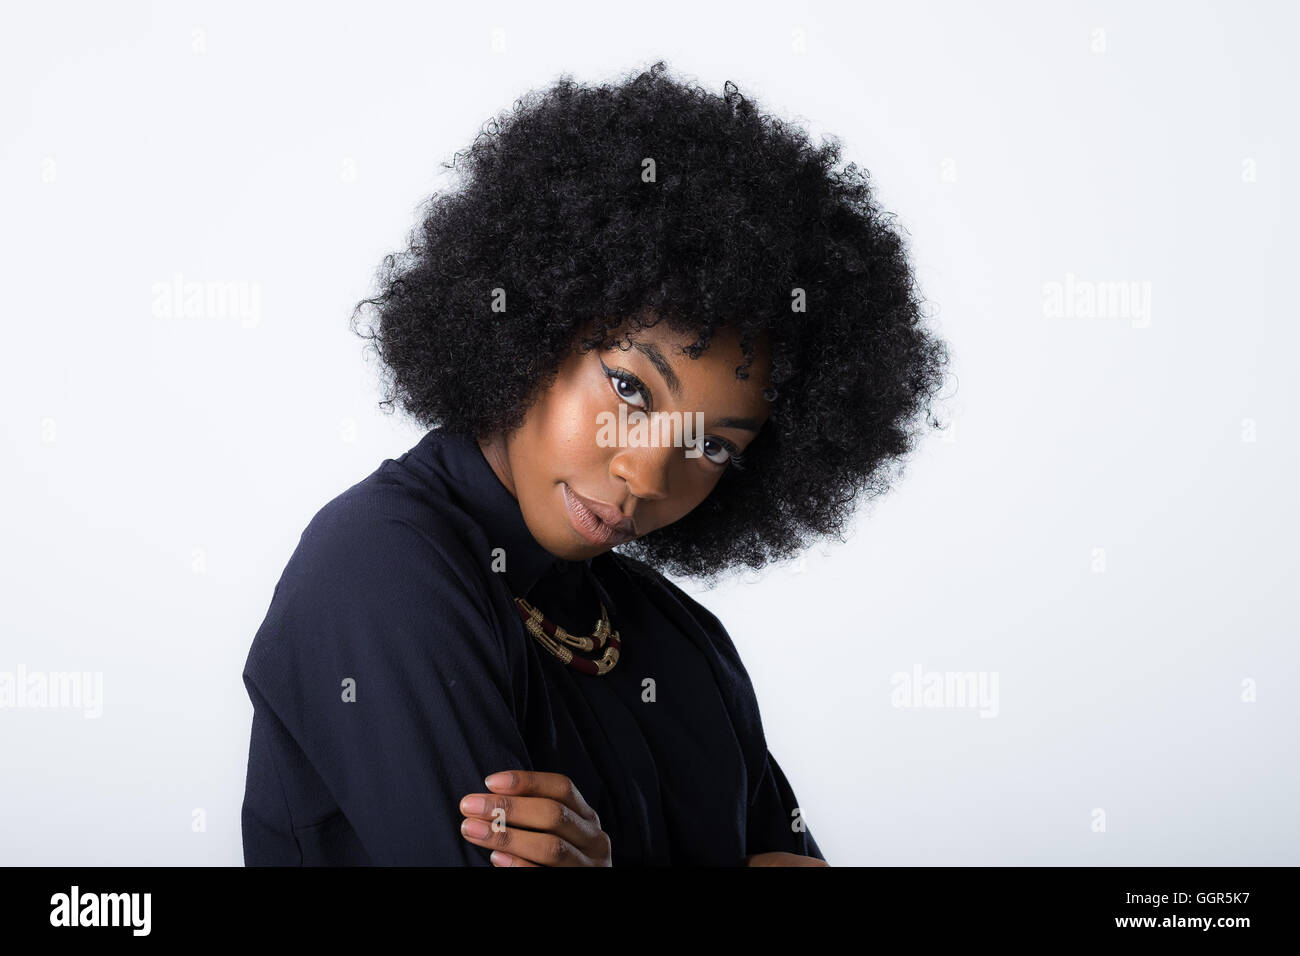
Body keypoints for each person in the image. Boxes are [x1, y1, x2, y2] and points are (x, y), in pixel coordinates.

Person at [240, 60, 949, 866]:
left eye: (712, 445)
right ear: (537, 325)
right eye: (630, 388)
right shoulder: (377, 571)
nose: (647, 478)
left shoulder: (683, 643)